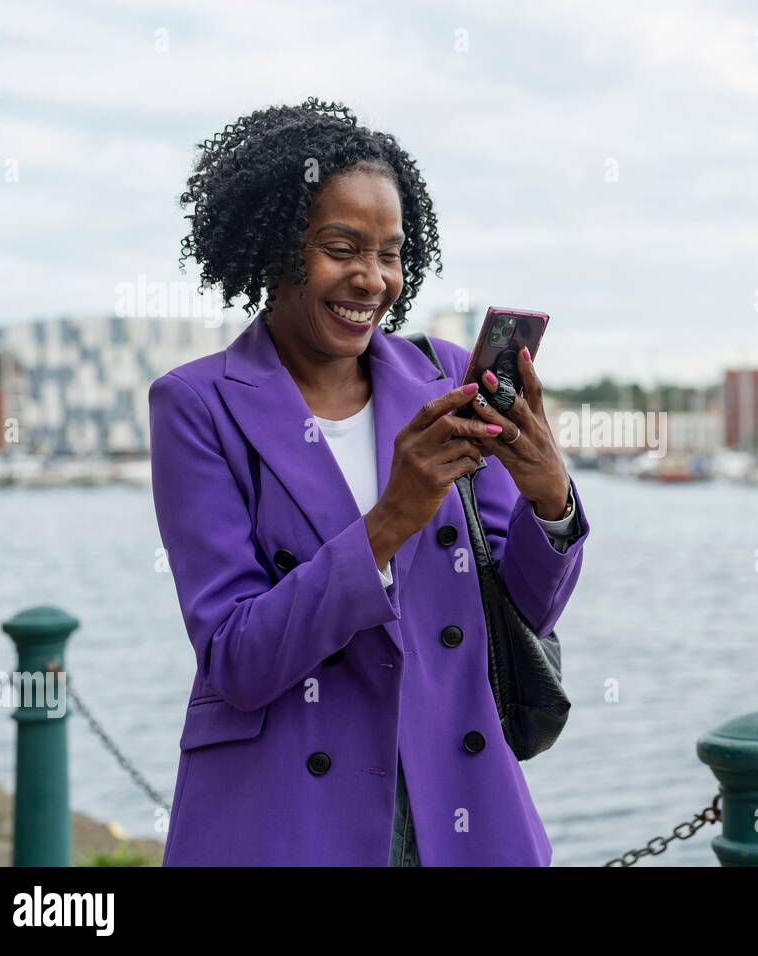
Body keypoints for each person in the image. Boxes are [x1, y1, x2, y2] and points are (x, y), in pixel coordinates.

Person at [148, 98, 589, 866]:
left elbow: (524, 609)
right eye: (341, 247)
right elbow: (237, 659)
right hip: (287, 812)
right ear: (274, 249)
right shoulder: (197, 406)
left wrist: (549, 500)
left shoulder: (446, 375)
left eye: (390, 253)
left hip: (458, 797)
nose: (371, 278)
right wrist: (390, 521)